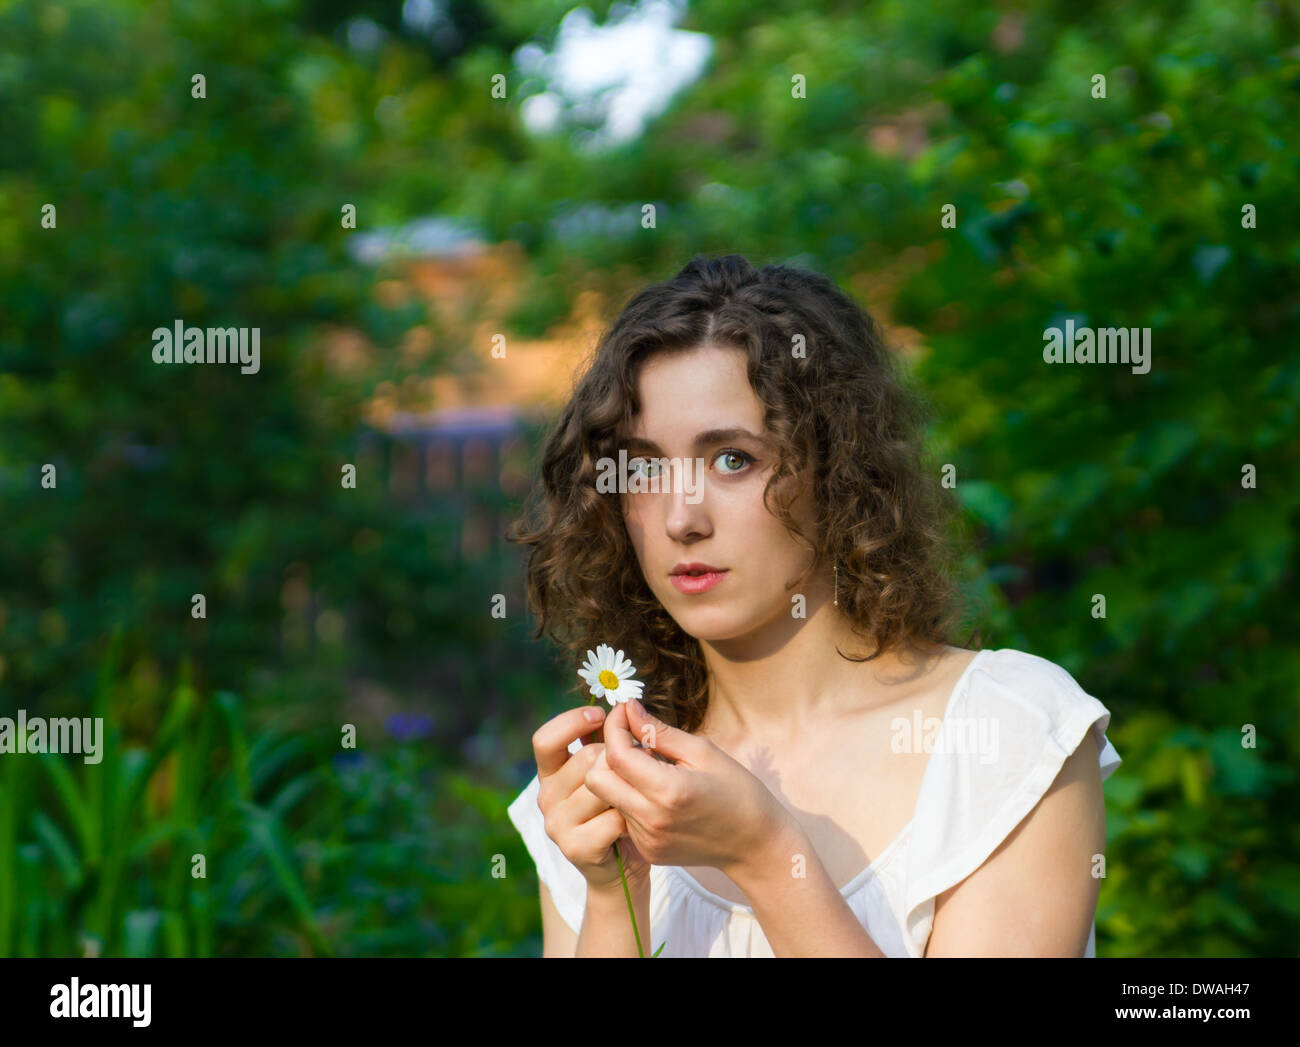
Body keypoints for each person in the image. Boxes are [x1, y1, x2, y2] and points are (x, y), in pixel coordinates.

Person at [504, 253, 1121, 957]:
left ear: (839, 469)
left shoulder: (1005, 735)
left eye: (732, 458)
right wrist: (616, 893)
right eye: (644, 467)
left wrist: (766, 855)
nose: (681, 518)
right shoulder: (602, 793)